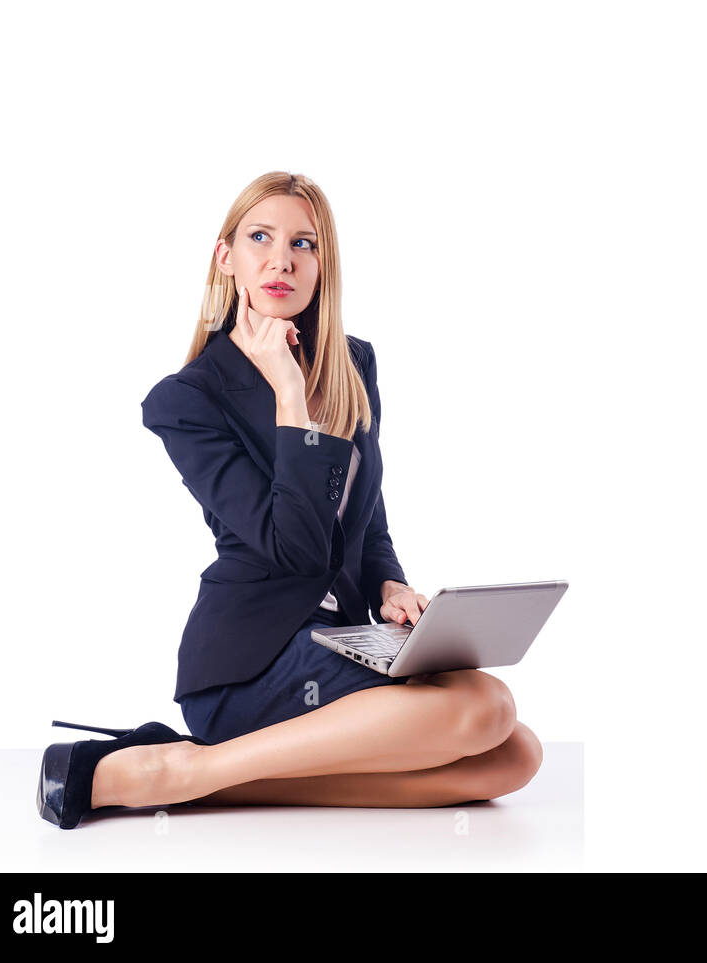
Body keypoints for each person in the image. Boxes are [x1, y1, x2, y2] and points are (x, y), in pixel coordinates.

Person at [39, 172, 541, 829]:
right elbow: (296, 546)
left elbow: (367, 515)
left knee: (513, 758)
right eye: (260, 238)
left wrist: (390, 582)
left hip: (341, 638)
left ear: (322, 262)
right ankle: (187, 766)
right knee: (486, 709)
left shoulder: (352, 363)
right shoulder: (188, 398)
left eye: (303, 243)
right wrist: (289, 397)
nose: (282, 259)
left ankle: (186, 774)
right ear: (227, 258)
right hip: (249, 663)